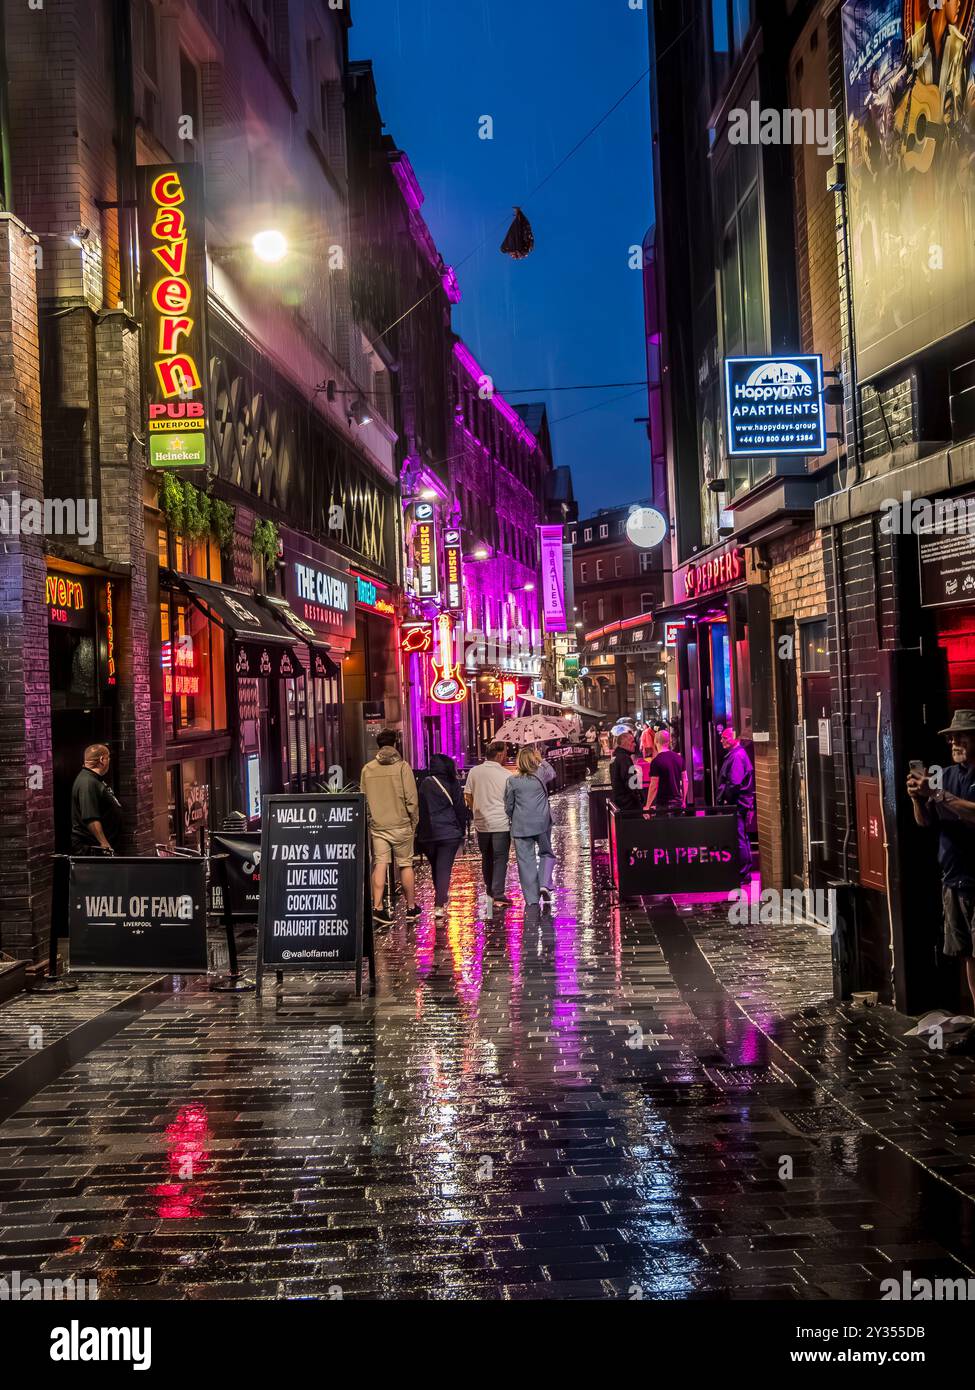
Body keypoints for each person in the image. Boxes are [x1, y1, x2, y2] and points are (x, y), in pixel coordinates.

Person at [908, 710, 975, 1028]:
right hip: (953, 880)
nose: (954, 742)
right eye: (951, 737)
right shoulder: (947, 775)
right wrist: (917, 800)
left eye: (961, 735)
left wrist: (934, 793)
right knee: (968, 955)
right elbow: (926, 823)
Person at [360, 729, 420, 926]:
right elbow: (412, 799)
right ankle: (411, 908)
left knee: (380, 863)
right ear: (395, 744)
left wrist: (371, 820)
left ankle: (377, 907)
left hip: (378, 826)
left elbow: (364, 799)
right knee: (405, 864)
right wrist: (414, 822)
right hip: (401, 824)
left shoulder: (367, 769)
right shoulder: (402, 767)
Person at [417, 753, 468, 919]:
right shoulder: (453, 783)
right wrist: (461, 830)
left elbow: (420, 808)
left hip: (428, 834)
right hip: (449, 833)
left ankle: (441, 896)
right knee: (444, 868)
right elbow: (460, 808)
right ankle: (439, 904)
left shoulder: (424, 783)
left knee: (436, 867)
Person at [464, 741, 514, 914]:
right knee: (500, 858)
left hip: (481, 823)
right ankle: (498, 893)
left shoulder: (474, 772)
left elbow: (467, 795)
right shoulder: (507, 775)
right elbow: (510, 799)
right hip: (501, 822)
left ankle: (490, 890)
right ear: (499, 755)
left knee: (487, 856)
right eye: (505, 753)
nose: (506, 756)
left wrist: (476, 809)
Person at [504, 747, 556, 909]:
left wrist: (513, 816)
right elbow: (552, 772)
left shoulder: (512, 781)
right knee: (547, 853)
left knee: (526, 862)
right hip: (541, 824)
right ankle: (544, 884)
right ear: (533, 760)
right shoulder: (540, 775)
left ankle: (532, 899)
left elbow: (508, 806)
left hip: (521, 827)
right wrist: (541, 759)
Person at [716, 726, 755, 884]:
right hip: (739, 803)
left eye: (725, 737)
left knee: (739, 838)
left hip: (737, 804)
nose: (722, 740)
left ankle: (743, 872)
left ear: (734, 738)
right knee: (741, 837)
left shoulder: (737, 756)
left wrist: (726, 799)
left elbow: (735, 782)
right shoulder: (736, 754)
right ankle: (743, 871)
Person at [71, 744, 122, 854]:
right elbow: (90, 818)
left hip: (99, 846)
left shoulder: (94, 779)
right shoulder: (87, 783)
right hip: (93, 848)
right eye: (108, 758)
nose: (109, 761)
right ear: (102, 760)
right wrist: (104, 844)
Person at [645, 728, 688, 815]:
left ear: (656, 741)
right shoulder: (679, 758)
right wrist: (683, 800)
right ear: (669, 742)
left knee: (664, 828)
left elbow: (654, 785)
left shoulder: (656, 761)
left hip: (663, 805)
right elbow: (685, 780)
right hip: (678, 804)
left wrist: (647, 806)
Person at [610, 729, 644, 813]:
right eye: (632, 742)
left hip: (620, 803)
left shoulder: (616, 757)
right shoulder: (624, 759)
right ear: (625, 743)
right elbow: (631, 784)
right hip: (629, 807)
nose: (635, 744)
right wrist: (640, 802)